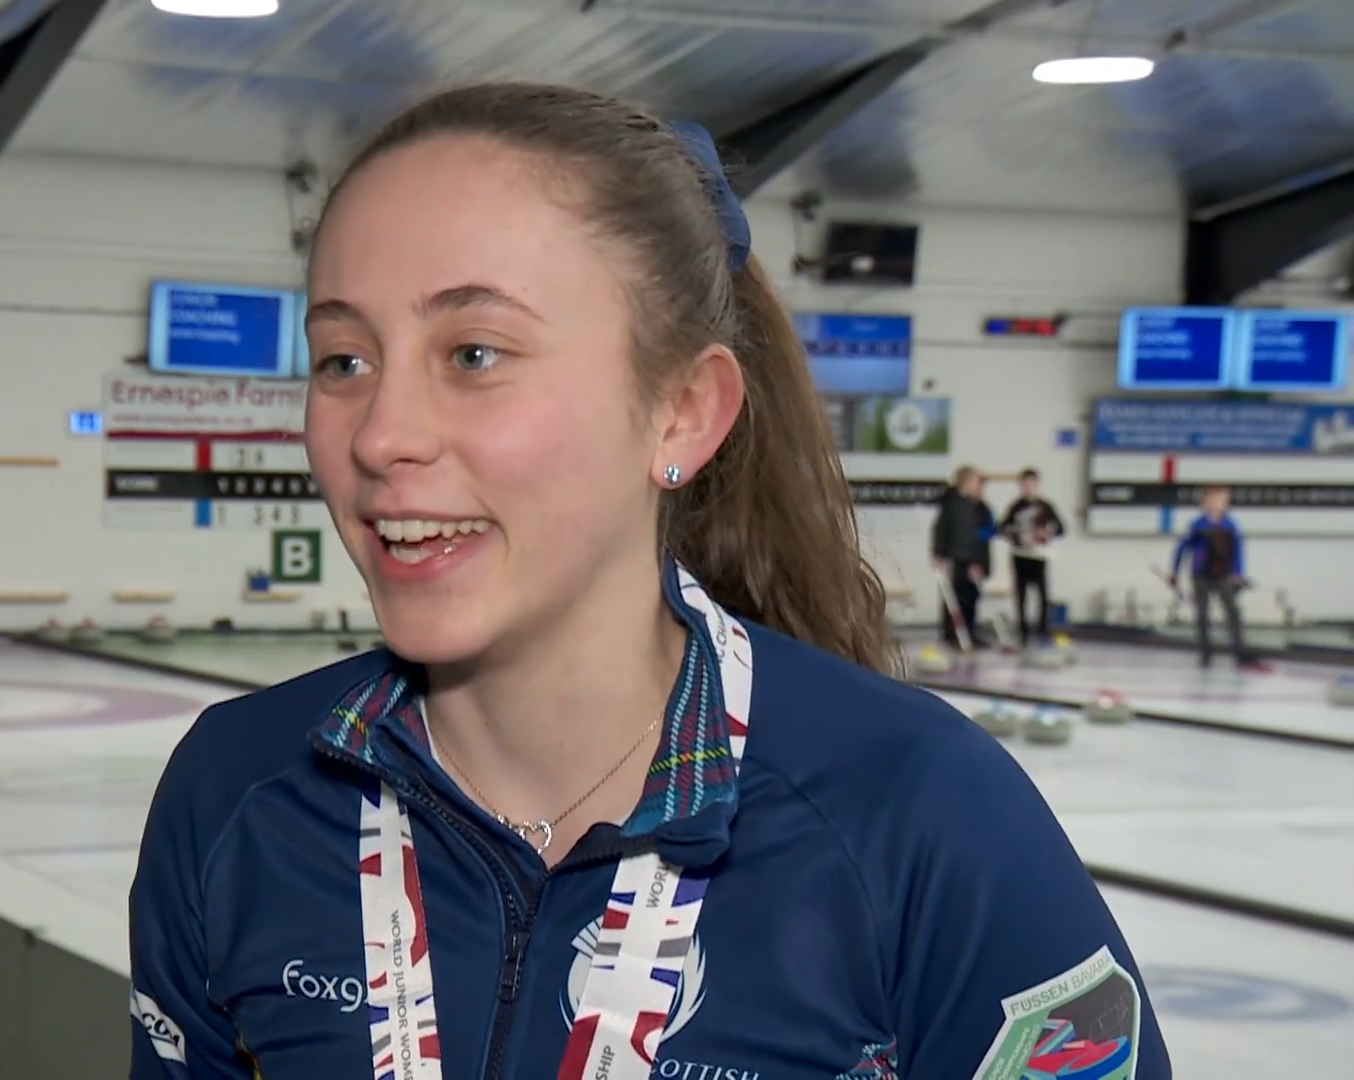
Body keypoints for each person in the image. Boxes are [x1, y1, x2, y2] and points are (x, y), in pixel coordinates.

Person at [129, 83, 1168, 1080]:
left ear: (681, 412)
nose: (384, 434)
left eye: (475, 353)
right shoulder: (236, 794)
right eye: (343, 360)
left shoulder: (922, 815)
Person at [1170, 485, 1261, 670]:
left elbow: (1238, 551)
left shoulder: (1230, 525)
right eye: (1218, 500)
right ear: (1207, 502)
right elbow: (1182, 547)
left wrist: (1238, 573)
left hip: (1223, 574)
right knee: (1202, 614)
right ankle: (1206, 653)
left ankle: (1239, 651)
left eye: (1225, 501)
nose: (1222, 504)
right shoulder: (1198, 525)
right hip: (1201, 573)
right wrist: (1175, 570)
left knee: (1232, 611)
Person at [930, 465, 996, 649]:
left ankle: (969, 631)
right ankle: (954, 633)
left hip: (971, 559)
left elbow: (984, 533)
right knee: (957, 597)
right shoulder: (954, 505)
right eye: (975, 481)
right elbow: (942, 530)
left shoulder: (976, 506)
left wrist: (977, 561)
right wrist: (938, 552)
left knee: (971, 597)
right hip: (960, 558)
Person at [1001, 467, 1065, 645]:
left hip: (1039, 556)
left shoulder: (1046, 506)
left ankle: (1043, 629)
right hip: (1020, 555)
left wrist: (1046, 532)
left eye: (1032, 484)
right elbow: (1002, 528)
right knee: (1020, 595)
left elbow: (1061, 528)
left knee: (1043, 594)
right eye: (1025, 484)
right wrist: (1019, 537)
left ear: (1038, 485)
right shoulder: (1015, 507)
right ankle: (1023, 631)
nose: (1028, 488)